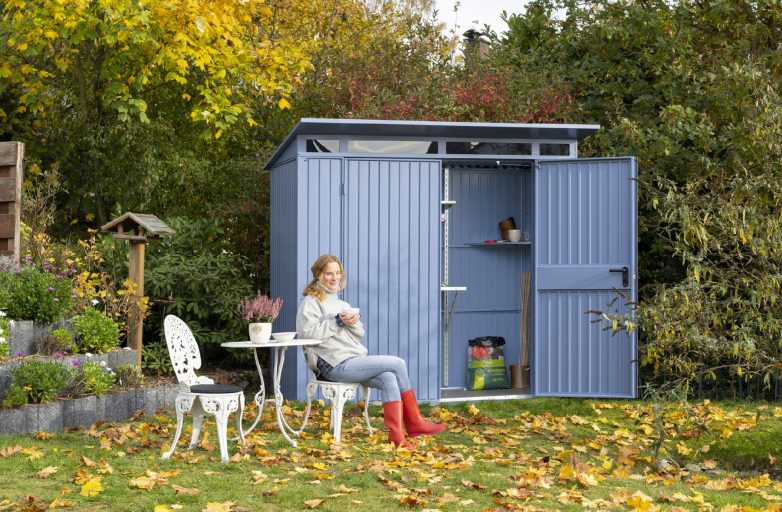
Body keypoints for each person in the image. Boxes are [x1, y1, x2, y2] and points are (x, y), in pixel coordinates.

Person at [296, 254, 446, 448]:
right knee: (397, 363)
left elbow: (358, 335)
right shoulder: (311, 302)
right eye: (329, 274)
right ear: (318, 275)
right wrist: (337, 322)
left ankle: (397, 435)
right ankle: (415, 422)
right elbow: (307, 334)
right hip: (333, 365)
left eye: (338, 273)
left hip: (352, 360)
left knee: (389, 378)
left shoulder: (342, 304)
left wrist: (352, 322)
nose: (334, 278)